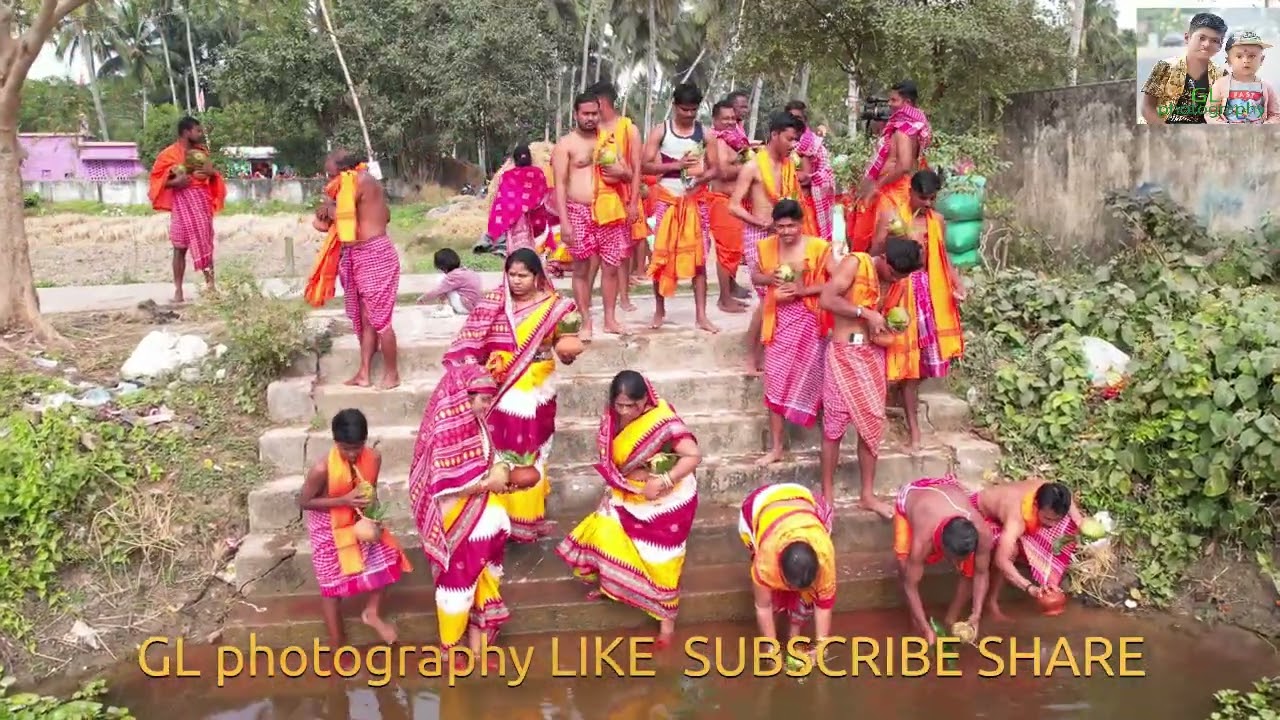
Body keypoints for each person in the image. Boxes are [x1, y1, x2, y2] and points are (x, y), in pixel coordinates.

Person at [556, 370, 702, 648]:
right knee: (600, 528)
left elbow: (693, 455)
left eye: (630, 406)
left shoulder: (662, 420)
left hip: (667, 501)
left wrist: (664, 480)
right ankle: (612, 583)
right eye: (618, 404)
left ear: (644, 401)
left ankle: (666, 623)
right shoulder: (612, 416)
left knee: (660, 558)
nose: (623, 411)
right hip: (629, 493)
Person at [442, 248, 579, 542]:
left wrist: (568, 351)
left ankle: (528, 519)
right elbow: (471, 340)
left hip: (538, 389)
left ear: (537, 277)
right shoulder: (494, 303)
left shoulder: (556, 307)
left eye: (523, 275)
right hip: (501, 390)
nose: (516, 281)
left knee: (533, 451)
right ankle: (501, 520)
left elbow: (563, 346)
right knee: (504, 453)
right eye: (511, 275)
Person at [407, 364, 511, 667]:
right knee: (458, 586)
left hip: (486, 522)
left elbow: (494, 458)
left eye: (489, 400)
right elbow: (441, 486)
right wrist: (486, 484)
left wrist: (501, 470)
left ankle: (480, 644)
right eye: (482, 400)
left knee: (485, 579)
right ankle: (451, 646)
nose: (487, 406)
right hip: (456, 522)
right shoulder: (444, 431)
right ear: (464, 398)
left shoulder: (479, 425)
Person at [817, 238, 924, 517]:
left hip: (872, 355)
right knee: (834, 426)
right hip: (843, 353)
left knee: (872, 425)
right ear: (885, 259)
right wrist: (864, 312)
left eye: (902, 277)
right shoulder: (856, 263)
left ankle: (867, 495)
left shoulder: (899, 281)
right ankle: (827, 494)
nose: (896, 279)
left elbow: (888, 320)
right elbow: (827, 299)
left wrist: (893, 325)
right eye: (893, 273)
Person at [296, 408, 412, 649]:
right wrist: (344, 501)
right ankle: (338, 642)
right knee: (331, 588)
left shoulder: (374, 458)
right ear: (336, 442)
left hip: (359, 518)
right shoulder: (321, 469)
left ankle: (372, 612)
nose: (351, 454)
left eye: (357, 448)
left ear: (364, 442)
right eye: (346, 448)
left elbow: (372, 489)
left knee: (390, 558)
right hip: (327, 524)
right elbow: (304, 502)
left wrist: (375, 516)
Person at [872, 170, 965, 450]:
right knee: (909, 362)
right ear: (910, 192)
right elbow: (874, 250)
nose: (926, 203)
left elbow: (943, 256)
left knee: (933, 358)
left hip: (930, 290)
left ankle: (902, 393)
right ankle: (914, 430)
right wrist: (890, 235)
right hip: (901, 290)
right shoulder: (891, 215)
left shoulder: (937, 221)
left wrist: (957, 285)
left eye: (932, 199)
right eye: (922, 197)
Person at [307, 150, 402, 389]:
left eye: (331, 175)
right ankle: (364, 373)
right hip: (355, 254)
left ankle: (392, 374)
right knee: (364, 319)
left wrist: (330, 209)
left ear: (345, 170)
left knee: (380, 320)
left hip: (374, 254)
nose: (329, 182)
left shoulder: (359, 181)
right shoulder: (354, 186)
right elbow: (323, 222)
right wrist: (330, 209)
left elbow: (333, 216)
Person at [753, 200, 834, 466]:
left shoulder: (819, 248)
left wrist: (803, 291)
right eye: (781, 227)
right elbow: (755, 276)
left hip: (811, 321)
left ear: (801, 224)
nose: (786, 232)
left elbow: (836, 282)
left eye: (791, 226)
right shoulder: (766, 247)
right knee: (774, 380)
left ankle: (827, 443)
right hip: (778, 321)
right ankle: (776, 448)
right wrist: (771, 278)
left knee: (816, 380)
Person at [730, 111, 805, 371]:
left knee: (785, 294)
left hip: (784, 234)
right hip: (758, 235)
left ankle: (771, 351)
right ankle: (751, 355)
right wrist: (759, 222)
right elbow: (733, 206)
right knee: (767, 298)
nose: (793, 145)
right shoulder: (752, 166)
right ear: (774, 135)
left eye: (795, 140)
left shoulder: (788, 166)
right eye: (789, 139)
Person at [552, 93, 631, 339]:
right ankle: (586, 321)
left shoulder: (609, 141)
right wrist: (564, 222)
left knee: (611, 266)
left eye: (594, 113)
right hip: (578, 211)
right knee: (581, 269)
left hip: (608, 211)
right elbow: (560, 186)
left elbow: (627, 173)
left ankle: (610, 319)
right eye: (585, 114)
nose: (590, 118)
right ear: (576, 114)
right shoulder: (566, 145)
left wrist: (620, 170)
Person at [642, 82, 718, 332]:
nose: (689, 114)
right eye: (684, 109)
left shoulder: (705, 134)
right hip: (667, 200)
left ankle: (701, 315)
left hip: (696, 201)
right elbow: (645, 166)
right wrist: (676, 166)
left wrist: (700, 178)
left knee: (699, 259)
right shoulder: (660, 131)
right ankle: (659, 311)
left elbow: (716, 168)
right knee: (660, 256)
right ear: (674, 106)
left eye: (693, 110)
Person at [970, 478, 1086, 621]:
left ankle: (1049, 580)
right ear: (1036, 505)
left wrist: (1079, 519)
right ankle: (991, 602)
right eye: (1048, 518)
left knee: (1069, 525)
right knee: (1011, 552)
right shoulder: (1016, 520)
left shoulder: (1048, 491)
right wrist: (1030, 587)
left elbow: (1064, 491)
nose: (1052, 524)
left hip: (1012, 520)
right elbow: (1001, 560)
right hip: (979, 514)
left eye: (1056, 519)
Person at [738, 483, 835, 654]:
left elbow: (824, 604)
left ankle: (794, 633)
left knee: (807, 597)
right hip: (759, 504)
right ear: (780, 570)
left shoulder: (824, 555)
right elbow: (763, 607)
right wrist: (770, 648)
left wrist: (821, 646)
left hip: (802, 496)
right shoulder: (766, 562)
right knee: (772, 596)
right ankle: (785, 629)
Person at [893, 476, 991, 643]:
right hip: (912, 497)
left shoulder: (983, 533)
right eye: (954, 559)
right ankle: (915, 621)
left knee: (970, 568)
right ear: (941, 547)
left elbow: (981, 573)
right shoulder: (922, 541)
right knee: (905, 568)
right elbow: (910, 586)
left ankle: (950, 618)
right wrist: (925, 627)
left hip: (948, 491)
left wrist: (976, 614)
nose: (956, 564)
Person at [148, 116, 226, 303]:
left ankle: (211, 287)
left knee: (206, 245)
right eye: (197, 131)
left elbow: (211, 172)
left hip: (200, 202)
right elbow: (158, 182)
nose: (200, 134)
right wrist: (177, 181)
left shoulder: (201, 152)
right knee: (179, 247)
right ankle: (178, 291)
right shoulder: (168, 155)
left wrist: (207, 173)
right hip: (181, 204)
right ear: (186, 132)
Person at [847, 81, 931, 254]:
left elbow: (904, 166)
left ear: (906, 103)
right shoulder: (909, 127)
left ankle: (872, 275)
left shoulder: (904, 131)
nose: (890, 104)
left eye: (894, 100)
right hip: (892, 189)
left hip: (894, 192)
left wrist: (876, 186)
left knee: (881, 243)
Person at [590, 82, 648, 315]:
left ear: (602, 103)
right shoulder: (590, 131)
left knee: (621, 253)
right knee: (593, 254)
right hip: (594, 199)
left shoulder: (628, 128)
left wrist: (634, 202)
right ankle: (599, 299)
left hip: (622, 201)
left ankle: (623, 298)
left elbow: (636, 169)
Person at [705, 99, 752, 313]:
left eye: (733, 118)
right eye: (725, 118)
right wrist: (750, 166)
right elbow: (723, 171)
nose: (730, 122)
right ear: (715, 120)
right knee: (726, 251)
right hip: (722, 200)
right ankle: (724, 299)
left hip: (733, 201)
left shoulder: (733, 140)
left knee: (733, 250)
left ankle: (730, 292)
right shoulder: (718, 141)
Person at [1140, 12, 1227, 124]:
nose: (1207, 44)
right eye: (1202, 38)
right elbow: (1147, 107)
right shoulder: (1165, 67)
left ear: (1220, 45)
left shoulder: (1221, 75)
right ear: (1187, 38)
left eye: (1214, 40)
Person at [486, 143, 553, 254]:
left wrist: (516, 210)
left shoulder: (507, 175)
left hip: (513, 222)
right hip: (536, 222)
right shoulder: (538, 173)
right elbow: (543, 194)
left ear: (514, 159)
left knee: (516, 253)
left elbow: (502, 200)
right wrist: (527, 206)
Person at [786, 101, 838, 242]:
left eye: (798, 118)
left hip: (808, 204)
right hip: (785, 205)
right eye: (791, 118)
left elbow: (818, 175)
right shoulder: (781, 143)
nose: (794, 122)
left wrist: (809, 177)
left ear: (805, 120)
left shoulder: (814, 144)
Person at [1205, 31, 1280, 124]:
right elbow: (1210, 113)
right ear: (1228, 60)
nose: (1246, 60)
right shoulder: (1220, 85)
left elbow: (1275, 115)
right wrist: (1223, 128)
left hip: (1257, 136)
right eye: (1239, 56)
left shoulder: (1267, 87)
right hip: (1228, 135)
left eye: (1252, 56)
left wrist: (1265, 127)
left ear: (1261, 60)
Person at [416, 248, 483, 314]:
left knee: (441, 280)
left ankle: (446, 308)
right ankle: (447, 306)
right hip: (473, 306)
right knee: (446, 285)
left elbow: (438, 290)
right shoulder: (467, 272)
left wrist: (423, 299)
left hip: (465, 307)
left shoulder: (454, 276)